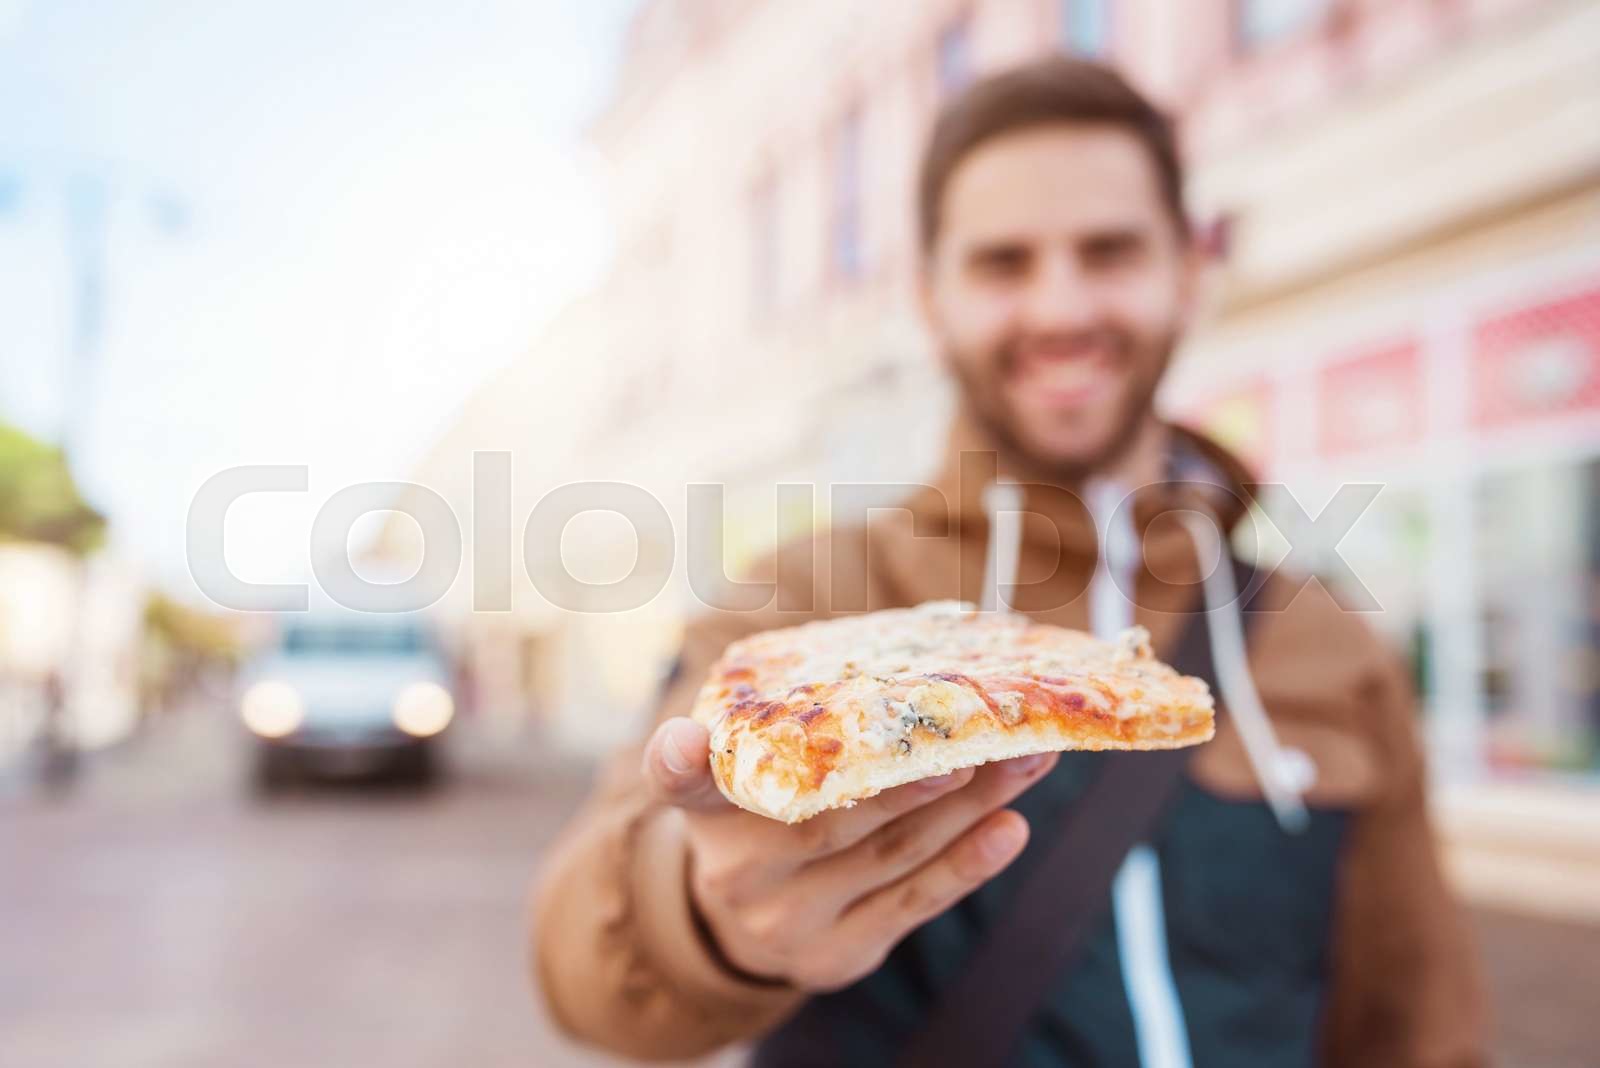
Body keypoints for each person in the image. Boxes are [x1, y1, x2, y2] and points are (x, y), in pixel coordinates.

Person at [531, 57, 1485, 1067]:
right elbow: (581, 971)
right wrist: (703, 911)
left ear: (1187, 274)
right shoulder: (805, 605)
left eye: (1109, 252)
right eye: (1003, 264)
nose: (1061, 308)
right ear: (931, 299)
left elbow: (1417, 1022)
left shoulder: (1323, 637)